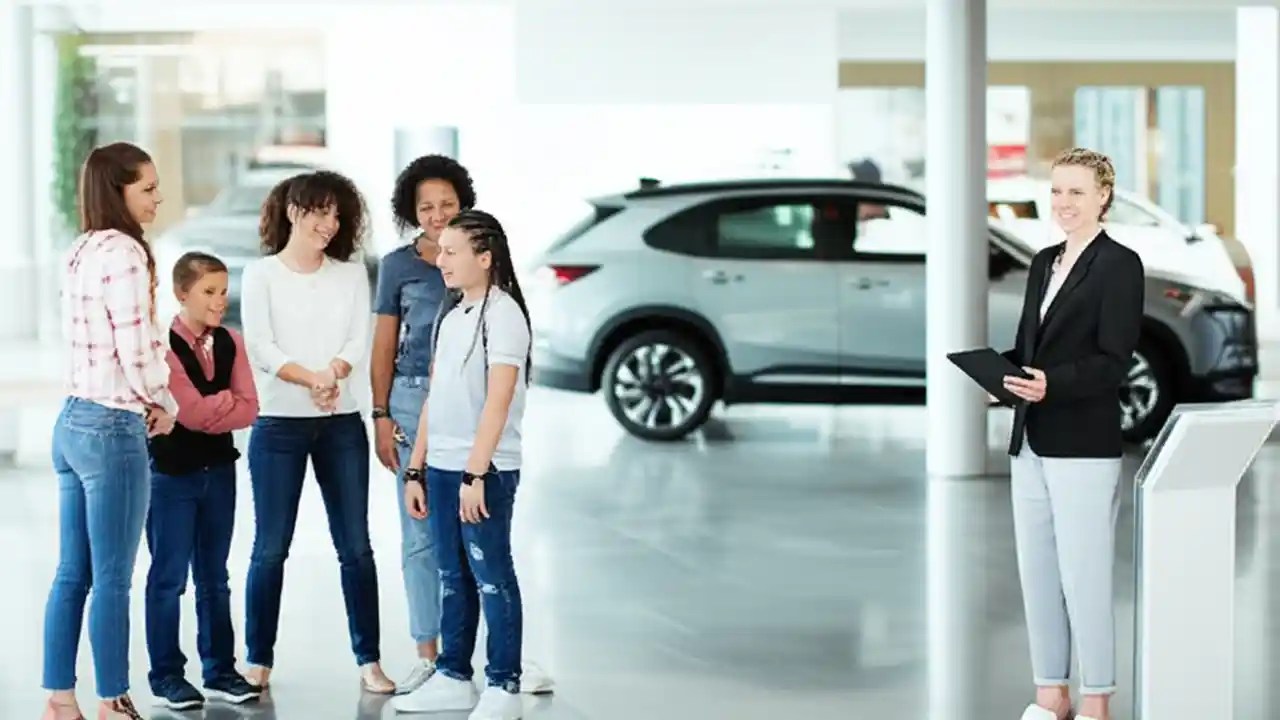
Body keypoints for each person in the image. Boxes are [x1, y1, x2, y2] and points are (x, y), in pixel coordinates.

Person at [999, 148, 1144, 720]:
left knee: (1083, 576)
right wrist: (1003, 377)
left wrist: (1049, 384)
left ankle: (1098, 701)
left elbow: (1114, 360)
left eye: (1076, 192)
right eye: (1057, 191)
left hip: (1083, 442)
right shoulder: (1043, 262)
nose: (1063, 203)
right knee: (1036, 572)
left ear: (1103, 195)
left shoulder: (1119, 265)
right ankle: (1050, 694)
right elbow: (1029, 350)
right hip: (1030, 438)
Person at [238, 171, 394, 693]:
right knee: (270, 547)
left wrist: (335, 376)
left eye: (336, 215)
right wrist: (313, 380)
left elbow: (357, 340)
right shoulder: (260, 274)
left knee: (355, 546)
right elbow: (261, 346)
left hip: (341, 426)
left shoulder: (350, 275)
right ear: (291, 212)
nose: (329, 224)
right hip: (278, 424)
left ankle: (369, 660)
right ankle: (257, 659)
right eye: (318, 212)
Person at [42, 142, 178, 720]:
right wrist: (165, 400)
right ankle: (113, 701)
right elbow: (136, 345)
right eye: (146, 188)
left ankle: (59, 700)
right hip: (111, 428)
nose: (157, 197)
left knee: (72, 571)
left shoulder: (80, 249)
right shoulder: (125, 253)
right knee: (114, 579)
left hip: (72, 420)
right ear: (117, 191)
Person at [391, 210, 532, 720]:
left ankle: (504, 685)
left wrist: (476, 474)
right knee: (452, 574)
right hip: (444, 468)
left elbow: (498, 402)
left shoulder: (505, 316)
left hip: (484, 471)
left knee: (490, 573)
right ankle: (454, 675)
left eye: (452, 251)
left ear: (485, 257)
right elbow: (435, 396)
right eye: (439, 250)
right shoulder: (453, 317)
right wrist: (416, 469)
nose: (441, 259)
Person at [371, 155, 475, 693]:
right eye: (426, 207)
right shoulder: (397, 266)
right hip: (411, 401)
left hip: (471, 402)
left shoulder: (483, 255)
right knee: (420, 534)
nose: (437, 215)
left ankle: (481, 654)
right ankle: (428, 653)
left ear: (464, 203)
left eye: (447, 205)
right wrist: (381, 413)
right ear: (412, 211)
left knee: (477, 528)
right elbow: (384, 345)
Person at [143, 252, 261, 710]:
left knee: (215, 577)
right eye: (209, 292)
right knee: (168, 578)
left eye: (222, 290)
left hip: (220, 474)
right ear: (181, 294)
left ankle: (220, 670)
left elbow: (251, 408)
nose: (219, 300)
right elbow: (187, 410)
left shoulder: (232, 340)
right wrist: (222, 403)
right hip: (172, 477)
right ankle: (167, 675)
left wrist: (209, 410)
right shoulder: (162, 345)